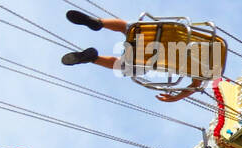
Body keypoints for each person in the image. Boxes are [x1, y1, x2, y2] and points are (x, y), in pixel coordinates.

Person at [60, 9, 214, 102]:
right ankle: (93, 58)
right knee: (123, 67)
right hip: (145, 58)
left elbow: (181, 24)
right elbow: (194, 87)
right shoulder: (198, 71)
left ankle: (99, 23)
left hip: (151, 36)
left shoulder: (190, 37)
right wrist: (175, 98)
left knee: (128, 27)